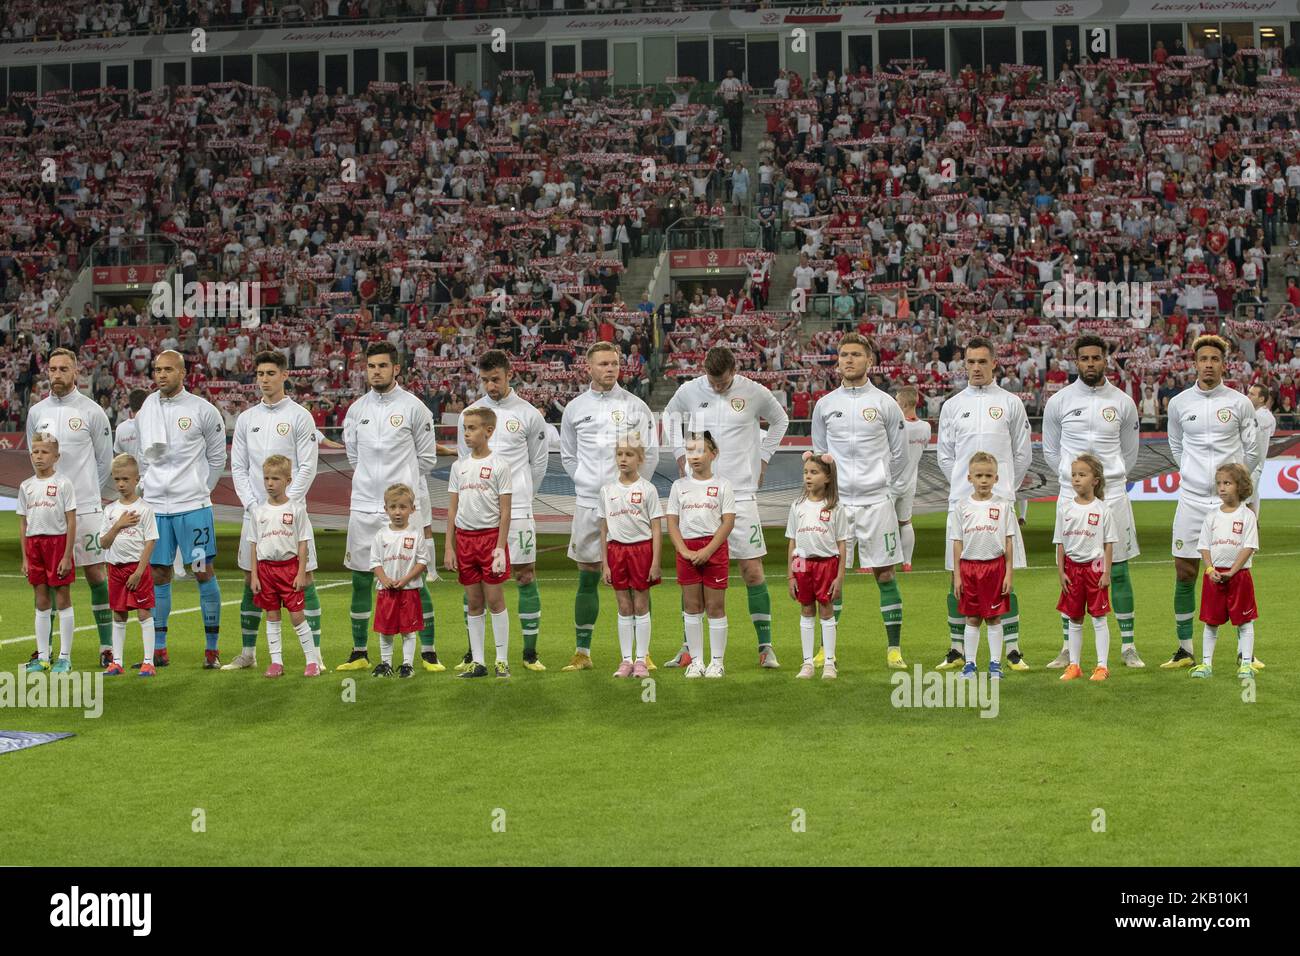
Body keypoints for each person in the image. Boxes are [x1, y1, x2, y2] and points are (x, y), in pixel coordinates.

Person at [662, 345, 789, 669]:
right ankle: (689, 647)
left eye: (723, 382)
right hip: (698, 494)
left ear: (734, 370)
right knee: (693, 571)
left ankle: (765, 646)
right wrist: (680, 453)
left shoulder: (754, 391)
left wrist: (763, 458)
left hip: (741, 493)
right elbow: (669, 416)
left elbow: (780, 420)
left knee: (752, 570)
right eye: (713, 381)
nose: (717, 387)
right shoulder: (690, 390)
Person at [1041, 335, 1144, 668]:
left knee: (1119, 569)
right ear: (1075, 361)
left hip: (1112, 494)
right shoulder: (1059, 401)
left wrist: (1109, 478)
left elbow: (1129, 452)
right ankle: (1068, 649)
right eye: (1083, 358)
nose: (1089, 363)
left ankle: (1128, 646)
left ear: (1106, 360)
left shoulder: (1123, 402)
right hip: (1071, 497)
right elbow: (1051, 449)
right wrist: (1070, 478)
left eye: (1095, 358)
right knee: (1072, 570)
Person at [337, 343, 439, 672]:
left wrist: (403, 499)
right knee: (361, 579)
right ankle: (359, 652)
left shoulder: (415, 408)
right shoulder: (356, 410)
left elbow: (426, 459)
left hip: (403, 511)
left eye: (382, 365)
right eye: (371, 366)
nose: (375, 371)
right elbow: (354, 456)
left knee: (415, 581)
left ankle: (429, 652)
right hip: (364, 507)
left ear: (396, 369)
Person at [810, 333, 908, 668]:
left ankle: (893, 649)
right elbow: (822, 455)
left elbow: (899, 455)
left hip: (875, 501)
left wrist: (883, 487)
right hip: (837, 505)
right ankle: (827, 650)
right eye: (843, 354)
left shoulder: (885, 403)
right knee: (830, 577)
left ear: (870, 361)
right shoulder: (825, 405)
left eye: (855, 354)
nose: (848, 360)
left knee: (884, 574)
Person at [560, 341, 659, 671]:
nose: (610, 368)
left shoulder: (636, 407)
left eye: (614, 363)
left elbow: (650, 452)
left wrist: (631, 491)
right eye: (603, 363)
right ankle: (582, 652)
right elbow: (568, 455)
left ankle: (641, 654)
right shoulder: (575, 408)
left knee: (637, 580)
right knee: (588, 575)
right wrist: (585, 482)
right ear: (588, 367)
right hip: (589, 504)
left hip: (628, 506)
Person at [1163, 335, 1260, 669]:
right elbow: (1177, 448)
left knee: (1237, 572)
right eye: (1203, 358)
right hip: (1191, 500)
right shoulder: (1178, 404)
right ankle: (1185, 648)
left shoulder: (1239, 403)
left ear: (1224, 364)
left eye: (1214, 359)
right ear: (1194, 362)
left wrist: (1247, 501)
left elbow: (1252, 453)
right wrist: (1194, 476)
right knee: (1185, 570)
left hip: (1229, 506)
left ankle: (1245, 650)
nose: (1208, 364)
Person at [936, 337, 1032, 671]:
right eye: (970, 362)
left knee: (1005, 575)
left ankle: (1013, 650)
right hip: (961, 504)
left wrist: (1003, 490)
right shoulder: (952, 405)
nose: (976, 368)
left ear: (994, 364)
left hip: (999, 504)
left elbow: (1023, 454)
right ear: (964, 365)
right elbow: (945, 455)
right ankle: (956, 650)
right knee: (956, 577)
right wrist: (965, 490)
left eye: (982, 362)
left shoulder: (1010, 403)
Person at [226, 351, 324, 671]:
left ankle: (316, 655)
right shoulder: (246, 419)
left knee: (303, 579)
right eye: (260, 373)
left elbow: (308, 466)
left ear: (284, 375)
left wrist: (286, 504)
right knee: (250, 580)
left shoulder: (299, 416)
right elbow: (238, 467)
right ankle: (248, 654)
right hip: (255, 513)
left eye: (270, 373)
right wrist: (255, 506)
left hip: (291, 513)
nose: (264, 379)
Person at [456, 351, 549, 672]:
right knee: (474, 583)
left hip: (518, 510)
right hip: (478, 516)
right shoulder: (469, 414)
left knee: (525, 575)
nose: (490, 385)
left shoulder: (528, 414)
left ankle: (529, 653)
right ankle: (474, 653)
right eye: (484, 380)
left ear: (510, 375)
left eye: (495, 378)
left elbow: (538, 463)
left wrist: (522, 495)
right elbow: (463, 462)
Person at [134, 350, 227, 668]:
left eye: (168, 370)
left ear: (183, 373)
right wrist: (149, 485)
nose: (161, 375)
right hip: (157, 508)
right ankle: (159, 648)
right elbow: (141, 454)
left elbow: (217, 459)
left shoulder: (203, 410)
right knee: (159, 574)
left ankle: (211, 649)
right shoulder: (147, 408)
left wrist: (199, 490)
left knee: (202, 571)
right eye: (157, 370)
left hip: (193, 509)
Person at [26, 348, 115, 666]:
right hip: (48, 509)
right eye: (52, 369)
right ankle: (45, 651)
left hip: (87, 507)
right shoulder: (37, 412)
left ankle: (107, 648)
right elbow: (33, 453)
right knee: (47, 580)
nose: (57, 374)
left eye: (64, 369)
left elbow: (106, 461)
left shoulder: (92, 412)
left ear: (76, 372)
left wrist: (85, 494)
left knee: (94, 573)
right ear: (47, 373)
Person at [446, 407, 514, 680]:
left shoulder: (499, 465)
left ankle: (501, 660)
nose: (467, 434)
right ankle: (478, 662)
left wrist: (500, 547)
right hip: (465, 541)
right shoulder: (458, 466)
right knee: (473, 603)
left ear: (489, 431)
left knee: (495, 600)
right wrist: (449, 547)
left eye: (472, 428)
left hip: (490, 540)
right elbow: (452, 510)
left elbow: (505, 511)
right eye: (465, 428)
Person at [666, 431, 735, 679]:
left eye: (700, 451)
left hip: (714, 549)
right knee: (692, 607)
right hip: (687, 550)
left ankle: (717, 662)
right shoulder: (679, 486)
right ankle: (696, 661)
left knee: (716, 607)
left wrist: (708, 550)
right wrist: (684, 550)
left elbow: (727, 522)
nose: (694, 456)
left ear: (713, 454)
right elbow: (672, 523)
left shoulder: (723, 485)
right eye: (690, 451)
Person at [247, 455, 321, 679]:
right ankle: (276, 662)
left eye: (276, 478)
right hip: (265, 570)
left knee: (297, 616)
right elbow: (253, 545)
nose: (270, 483)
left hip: (289, 569)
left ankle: (312, 661)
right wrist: (254, 576)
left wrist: (300, 572)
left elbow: (303, 544)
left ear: (288, 480)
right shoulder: (258, 512)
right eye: (267, 478)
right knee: (271, 615)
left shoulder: (296, 509)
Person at [599, 434, 663, 678]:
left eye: (629, 454)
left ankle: (641, 660)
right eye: (619, 454)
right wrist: (605, 563)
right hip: (617, 552)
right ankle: (625, 660)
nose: (623, 459)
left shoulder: (648, 489)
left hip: (641, 550)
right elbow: (604, 529)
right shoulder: (607, 490)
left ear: (640, 459)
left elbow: (656, 528)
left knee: (640, 604)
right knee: (624, 606)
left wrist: (656, 561)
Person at [950, 451, 1015, 682]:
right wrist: (957, 576)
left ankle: (995, 664)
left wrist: (1009, 572)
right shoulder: (961, 507)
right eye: (979, 475)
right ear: (970, 478)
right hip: (969, 568)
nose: (984, 480)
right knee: (972, 618)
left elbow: (1008, 541)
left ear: (996, 478)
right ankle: (970, 664)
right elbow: (957, 543)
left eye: (989, 475)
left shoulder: (1003, 505)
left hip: (995, 568)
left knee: (994, 618)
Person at [1053, 455, 1118, 682]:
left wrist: (1107, 572)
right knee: (1074, 618)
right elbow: (1060, 544)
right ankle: (1074, 665)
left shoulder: (1102, 509)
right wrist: (1061, 572)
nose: (1076, 479)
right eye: (1074, 475)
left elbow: (1109, 543)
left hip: (1095, 569)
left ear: (1095, 480)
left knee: (1099, 618)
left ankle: (1102, 666)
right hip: (1072, 570)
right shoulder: (1065, 508)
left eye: (1082, 474)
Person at [1192, 463, 1259, 680]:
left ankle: (1246, 663)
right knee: (1211, 622)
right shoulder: (1212, 516)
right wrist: (1210, 569)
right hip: (1214, 576)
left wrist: (1233, 570)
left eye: (1227, 483)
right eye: (1219, 483)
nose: (1222, 488)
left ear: (1240, 486)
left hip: (1239, 577)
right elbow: (1204, 546)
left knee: (1244, 621)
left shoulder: (1247, 515)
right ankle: (1206, 664)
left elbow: (1248, 546)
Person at [19, 433, 77, 674]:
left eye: (44, 452)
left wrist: (66, 555)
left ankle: (65, 657)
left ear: (56, 456)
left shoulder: (63, 483)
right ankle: (42, 656)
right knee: (41, 600)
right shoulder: (26, 486)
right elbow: (23, 523)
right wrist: (24, 557)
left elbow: (71, 521)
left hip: (57, 544)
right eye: (35, 452)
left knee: (62, 598)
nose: (38, 456)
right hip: (34, 546)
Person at [786, 452, 847, 680]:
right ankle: (807, 663)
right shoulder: (797, 506)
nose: (808, 477)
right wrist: (791, 576)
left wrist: (839, 576)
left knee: (826, 609)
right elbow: (792, 541)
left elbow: (842, 544)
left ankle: (829, 662)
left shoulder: (834, 507)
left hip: (826, 564)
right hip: (802, 563)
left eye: (814, 472)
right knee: (806, 609)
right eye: (805, 472)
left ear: (828, 477)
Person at [99, 454, 158, 676]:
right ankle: (117, 662)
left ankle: (148, 662)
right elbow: (103, 542)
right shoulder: (110, 510)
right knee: (118, 614)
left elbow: (150, 541)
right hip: (114, 569)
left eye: (125, 479)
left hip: (137, 569)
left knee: (144, 613)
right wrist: (118, 525)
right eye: (117, 479)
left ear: (137, 479)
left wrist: (139, 572)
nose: (121, 484)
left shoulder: (145, 509)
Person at [369, 483, 434, 680]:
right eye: (393, 507)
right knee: (386, 631)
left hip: (409, 591)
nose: (398, 512)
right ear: (386, 509)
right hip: (386, 591)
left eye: (403, 507)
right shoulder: (381, 535)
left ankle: (407, 665)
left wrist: (405, 580)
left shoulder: (415, 535)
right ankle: (386, 663)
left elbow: (423, 561)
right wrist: (385, 579)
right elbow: (375, 562)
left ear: (412, 509)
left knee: (408, 630)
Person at [893, 385, 931, 572]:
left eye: (897, 401)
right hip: (910, 480)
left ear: (905, 403)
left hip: (890, 481)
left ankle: (876, 562)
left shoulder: (896, 426)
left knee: (880, 522)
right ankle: (907, 562)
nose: (895, 404)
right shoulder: (925, 427)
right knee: (905, 522)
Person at [1247, 383, 1276, 516]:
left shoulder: (1264, 417)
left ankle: (1251, 530)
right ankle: (1253, 528)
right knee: (1251, 499)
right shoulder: (1267, 417)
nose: (1248, 396)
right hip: (1249, 465)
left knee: (1245, 503)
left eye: (1252, 394)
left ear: (1262, 399)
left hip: (1252, 466)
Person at [113, 388, 149, 459]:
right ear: (147, 404)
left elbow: (118, 459)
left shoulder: (120, 428)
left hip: (129, 469)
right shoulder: (155, 425)